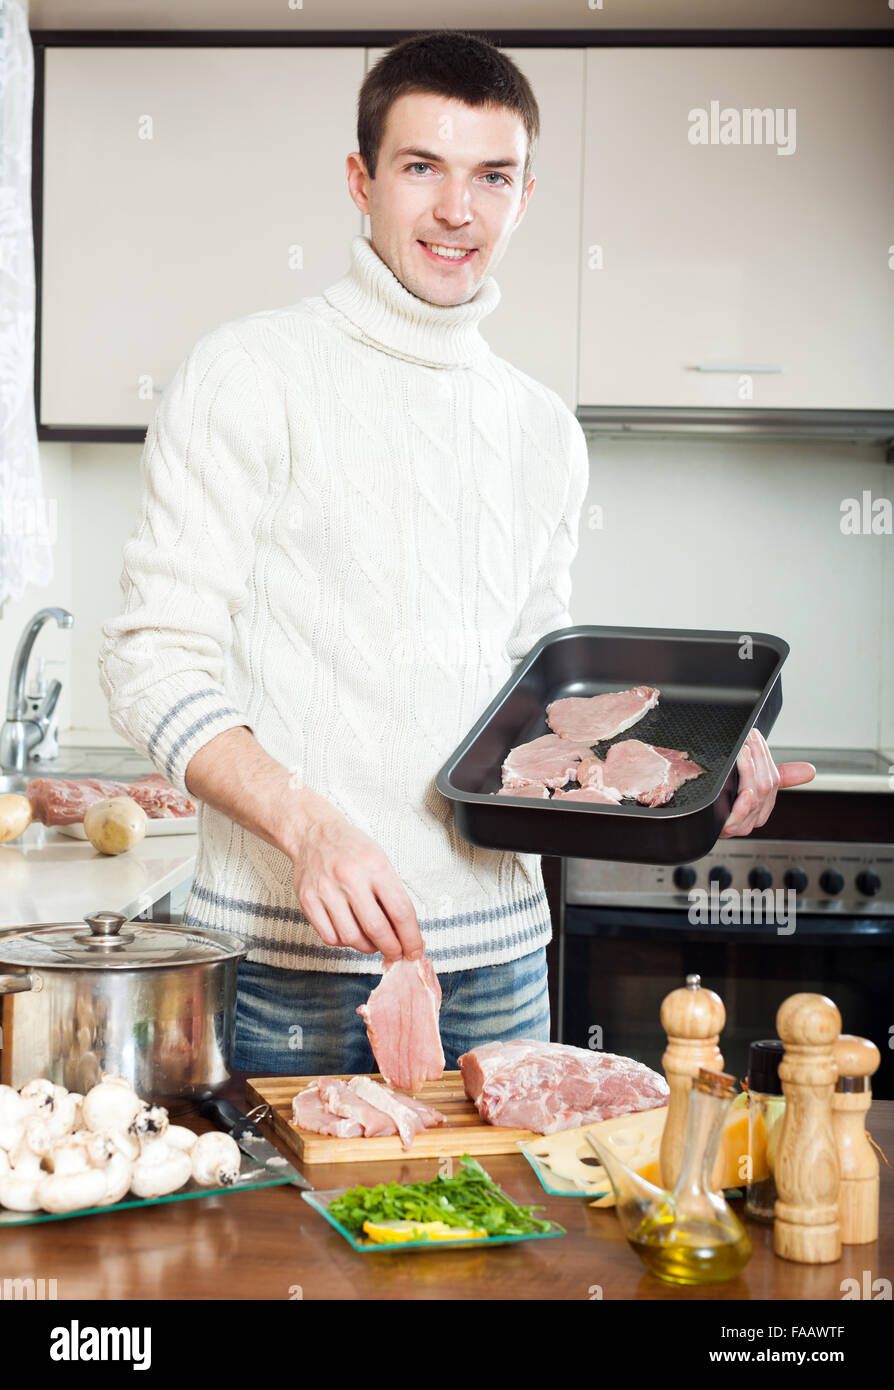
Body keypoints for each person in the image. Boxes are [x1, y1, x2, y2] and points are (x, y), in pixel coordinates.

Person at [99, 30, 815, 1076]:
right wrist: (311, 828)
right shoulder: (247, 373)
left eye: (492, 176)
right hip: (286, 962)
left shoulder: (540, 428)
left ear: (525, 198)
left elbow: (539, 691)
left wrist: (695, 774)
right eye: (421, 167)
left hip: (504, 962)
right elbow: (149, 660)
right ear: (362, 179)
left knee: (504, 1241)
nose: (456, 209)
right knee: (285, 1246)